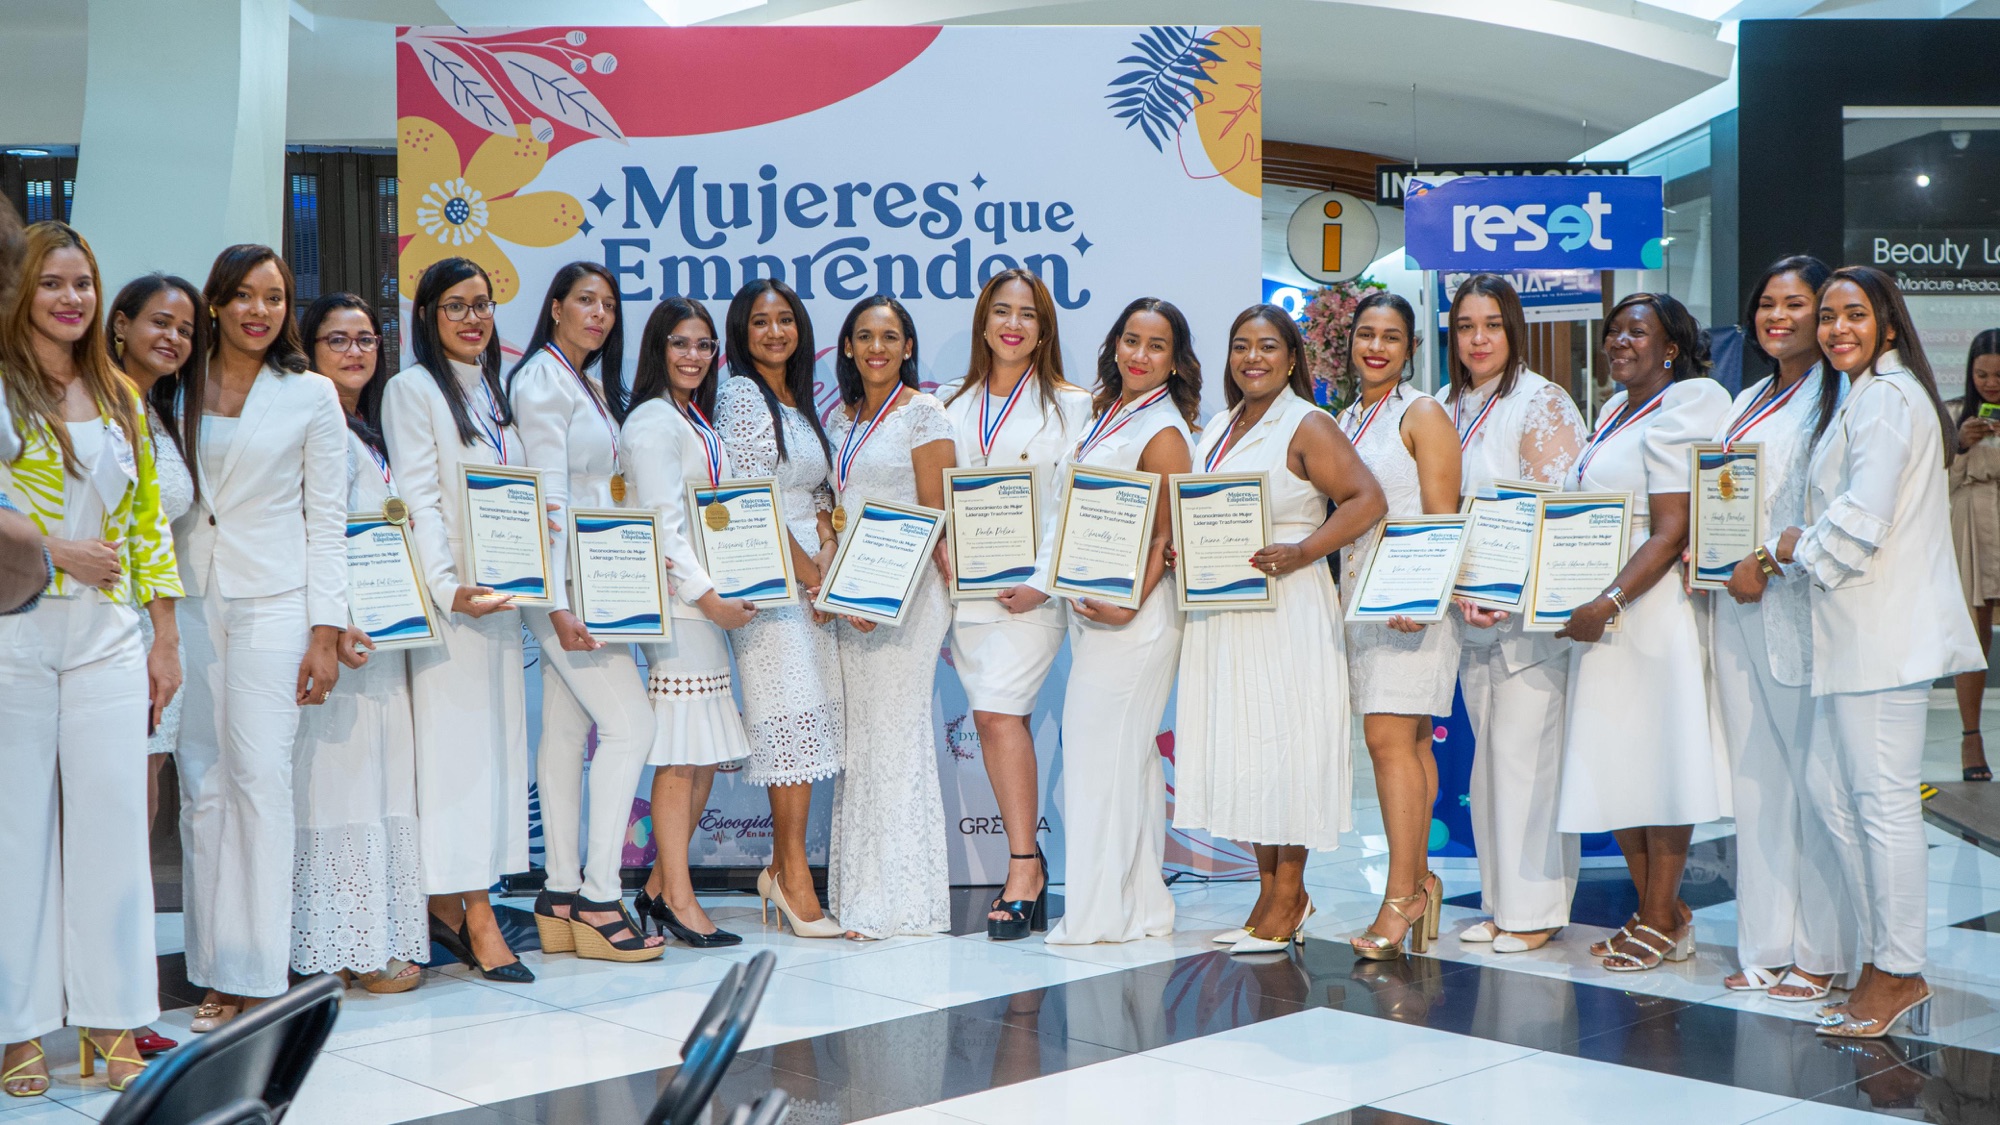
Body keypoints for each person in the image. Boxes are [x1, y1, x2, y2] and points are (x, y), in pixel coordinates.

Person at [1774, 266, 1984, 1038]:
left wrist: (1791, 548)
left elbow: (1862, 517)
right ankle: (1879, 959)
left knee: (1882, 804)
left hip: (1882, 635)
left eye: (1853, 315)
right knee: (1838, 794)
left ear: (1888, 324)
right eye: (1827, 316)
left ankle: (1899, 969)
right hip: (1855, 635)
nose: (1836, 329)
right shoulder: (1863, 397)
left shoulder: (1890, 399)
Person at [0, 222, 180, 1095]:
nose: (71, 299)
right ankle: (18, 1027)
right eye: (52, 284)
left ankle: (111, 1017)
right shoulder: (1, 386)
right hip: (18, 628)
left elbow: (147, 525)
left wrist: (166, 638)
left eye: (83, 283)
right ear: (22, 293)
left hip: (109, 634)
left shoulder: (119, 393)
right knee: (16, 831)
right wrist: (57, 548)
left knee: (114, 826)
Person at [1175, 303, 1386, 954]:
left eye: (1268, 346)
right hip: (1228, 610)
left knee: (1284, 743)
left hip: (1287, 604)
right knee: (1251, 746)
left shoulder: (1306, 422)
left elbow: (1367, 499)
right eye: (1241, 346)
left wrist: (1305, 550)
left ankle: (1290, 891)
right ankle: (1269, 893)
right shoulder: (1219, 425)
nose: (1253, 358)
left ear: (1293, 358)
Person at [174, 244, 346, 1030]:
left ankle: (259, 971)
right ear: (214, 302)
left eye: (273, 297)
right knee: (202, 785)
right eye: (242, 295)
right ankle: (212, 965)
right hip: (186, 597)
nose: (258, 310)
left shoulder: (310, 393)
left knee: (259, 780)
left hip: (276, 600)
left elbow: (329, 519)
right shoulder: (174, 382)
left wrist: (326, 629)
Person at [1555, 292, 1731, 972]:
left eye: (1637, 331)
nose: (1619, 341)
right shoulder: (1611, 410)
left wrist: (1610, 599)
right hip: (1604, 606)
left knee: (1659, 759)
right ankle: (1660, 909)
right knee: (1616, 757)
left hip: (1649, 608)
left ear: (1670, 346)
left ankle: (1661, 912)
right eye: (1612, 331)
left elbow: (1673, 527)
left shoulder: (1689, 402)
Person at [382, 257, 535, 982]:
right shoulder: (413, 390)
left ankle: (458, 900)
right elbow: (418, 500)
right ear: (427, 317)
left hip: (500, 608)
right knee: (456, 762)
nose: (473, 318)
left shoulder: (495, 392)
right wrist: (447, 588)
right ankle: (473, 912)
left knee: (494, 757)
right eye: (455, 306)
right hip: (454, 610)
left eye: (482, 304)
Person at [507, 262, 663, 962]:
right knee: (632, 724)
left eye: (608, 304)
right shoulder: (541, 381)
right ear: (557, 306)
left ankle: (561, 890)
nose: (598, 314)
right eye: (585, 302)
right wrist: (559, 602)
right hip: (567, 583)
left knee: (568, 734)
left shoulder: (584, 382)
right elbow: (545, 499)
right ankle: (602, 896)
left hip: (594, 580)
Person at [1714, 256, 1858, 1000]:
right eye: (1767, 303)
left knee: (1810, 782)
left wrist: (1765, 563)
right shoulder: (1743, 398)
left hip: (1795, 605)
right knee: (1755, 781)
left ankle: (1823, 948)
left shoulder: (1836, 400)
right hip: (1731, 607)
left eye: (1796, 303)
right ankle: (1765, 938)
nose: (1778, 316)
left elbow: (1831, 509)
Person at [938, 269, 1093, 938]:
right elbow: (932, 490)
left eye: (1028, 314)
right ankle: (1027, 861)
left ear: (1045, 327)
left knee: (1001, 715)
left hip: (1032, 592)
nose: (1014, 323)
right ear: (982, 322)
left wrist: (1045, 578)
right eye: (1001, 311)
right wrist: (942, 543)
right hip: (964, 594)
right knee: (994, 717)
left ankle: (1024, 866)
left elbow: (1076, 502)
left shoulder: (1072, 404)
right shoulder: (947, 404)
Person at [1437, 274, 1588, 954]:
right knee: (1490, 764)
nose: (1477, 338)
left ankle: (1538, 907)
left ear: (1513, 329)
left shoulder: (1541, 401)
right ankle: (1503, 902)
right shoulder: (1446, 404)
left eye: (1491, 324)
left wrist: (1507, 586)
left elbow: (1558, 512)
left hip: (1526, 616)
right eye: (1466, 325)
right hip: (1467, 613)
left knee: (1530, 758)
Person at [1042, 298, 1196, 946]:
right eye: (1130, 340)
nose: (1139, 354)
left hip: (1136, 618)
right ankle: (1139, 906)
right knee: (1123, 763)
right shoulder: (1107, 413)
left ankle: (1099, 913)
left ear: (1174, 360)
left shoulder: (1161, 429)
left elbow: (1168, 533)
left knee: (1098, 762)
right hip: (1101, 612)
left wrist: (1129, 601)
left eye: (1155, 345)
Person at [287, 293, 427, 993]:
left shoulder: (365, 429)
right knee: (338, 786)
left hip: (386, 634)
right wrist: (333, 621)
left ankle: (371, 935)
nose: (354, 351)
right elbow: (316, 531)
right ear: (308, 349)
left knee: (379, 783)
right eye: (337, 339)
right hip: (345, 635)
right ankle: (342, 945)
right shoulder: (321, 427)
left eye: (366, 338)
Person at [621, 296, 754, 947]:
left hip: (702, 607)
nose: (694, 355)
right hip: (679, 610)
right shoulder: (652, 421)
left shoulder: (690, 418)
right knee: (680, 756)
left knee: (698, 752)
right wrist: (708, 598)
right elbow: (661, 527)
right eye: (681, 343)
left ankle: (656, 890)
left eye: (704, 344)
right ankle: (676, 896)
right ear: (658, 349)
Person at [824, 295, 957, 940]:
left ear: (908, 347)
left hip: (906, 599)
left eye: (891, 336)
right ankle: (861, 894)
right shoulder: (844, 416)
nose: (877, 347)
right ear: (847, 347)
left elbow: (936, 514)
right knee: (864, 744)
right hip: (853, 599)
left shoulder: (924, 412)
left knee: (895, 738)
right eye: (865, 336)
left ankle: (900, 901)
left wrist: (882, 595)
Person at [714, 279, 844, 938]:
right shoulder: (740, 394)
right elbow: (751, 498)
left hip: (807, 576)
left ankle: (780, 866)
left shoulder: (796, 398)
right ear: (741, 332)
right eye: (760, 321)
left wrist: (826, 548)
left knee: (807, 724)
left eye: (785, 319)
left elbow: (818, 491)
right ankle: (793, 876)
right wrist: (807, 576)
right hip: (768, 584)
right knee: (789, 727)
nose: (774, 331)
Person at [1335, 292, 1463, 960]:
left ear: (1410, 348)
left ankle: (1400, 895)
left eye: (1390, 336)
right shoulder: (1350, 417)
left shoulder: (1423, 413)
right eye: (1365, 334)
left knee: (1389, 740)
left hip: (1411, 602)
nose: (1376, 347)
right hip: (1361, 600)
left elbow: (1442, 515)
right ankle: (1417, 881)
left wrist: (1425, 593)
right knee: (1407, 744)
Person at [106, 272, 202, 1057]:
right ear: (121, 322)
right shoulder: (102, 402)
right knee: (114, 821)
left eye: (185, 329)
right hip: (110, 631)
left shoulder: (158, 410)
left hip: (155, 633)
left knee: (138, 815)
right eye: (159, 322)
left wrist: (165, 637)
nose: (173, 337)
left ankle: (123, 992)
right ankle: (114, 1000)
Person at [1948, 328, 2000, 782]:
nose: (1990, 384)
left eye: (1999, 375)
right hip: (1969, 527)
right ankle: (1971, 737)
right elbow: (1932, 487)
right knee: (1973, 636)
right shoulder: (1951, 415)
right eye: (1981, 374)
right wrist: (1960, 445)